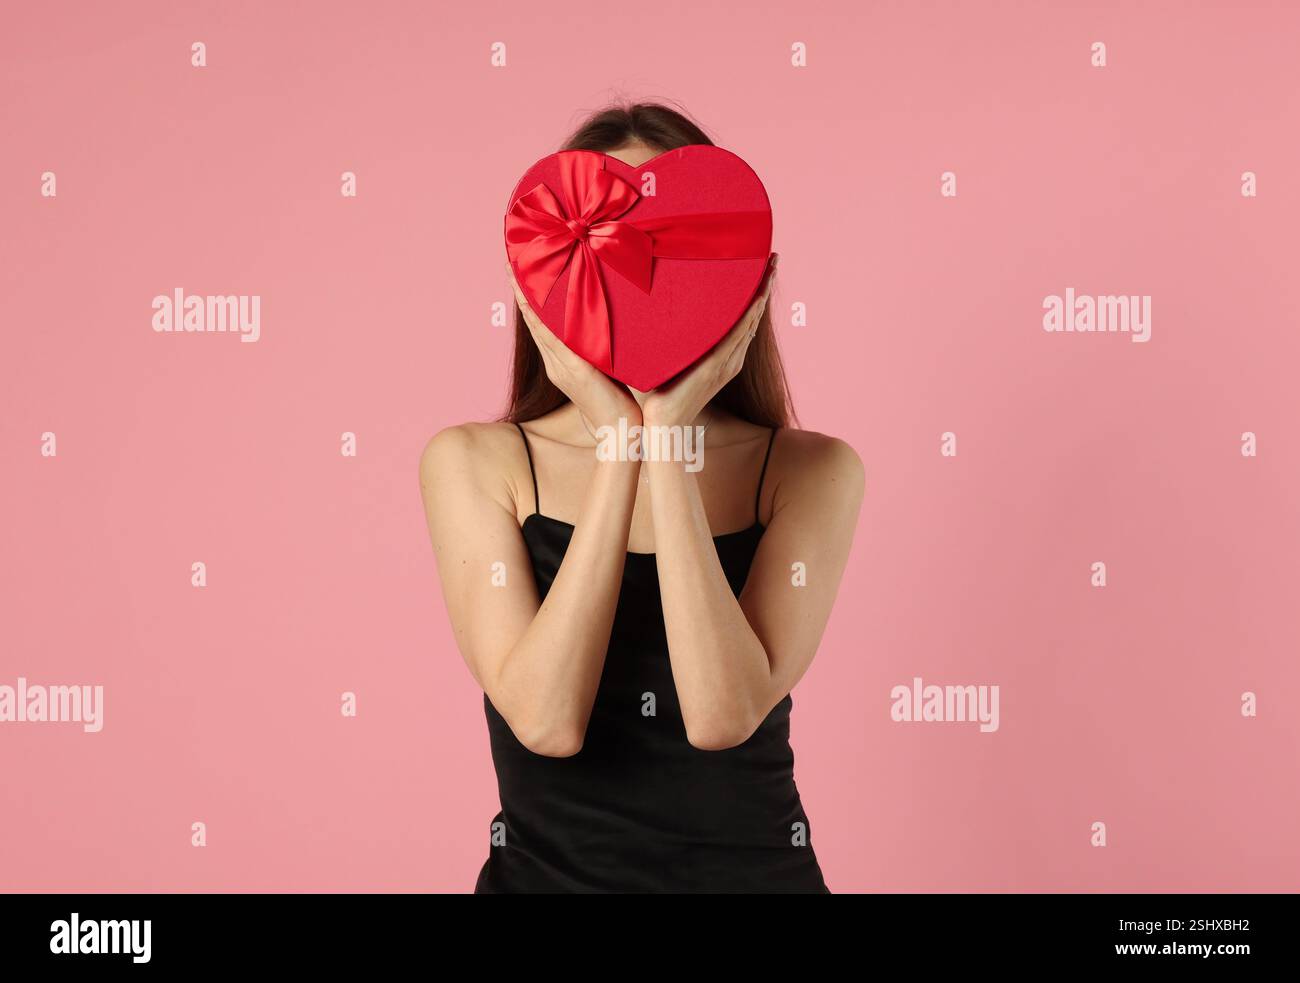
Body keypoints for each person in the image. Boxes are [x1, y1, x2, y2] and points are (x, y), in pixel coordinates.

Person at [420, 102, 864, 892]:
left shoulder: (812, 472)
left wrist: (667, 438)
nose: (637, 279)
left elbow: (722, 715)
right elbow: (547, 721)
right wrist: (620, 440)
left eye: (667, 249)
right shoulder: (476, 463)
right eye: (603, 249)